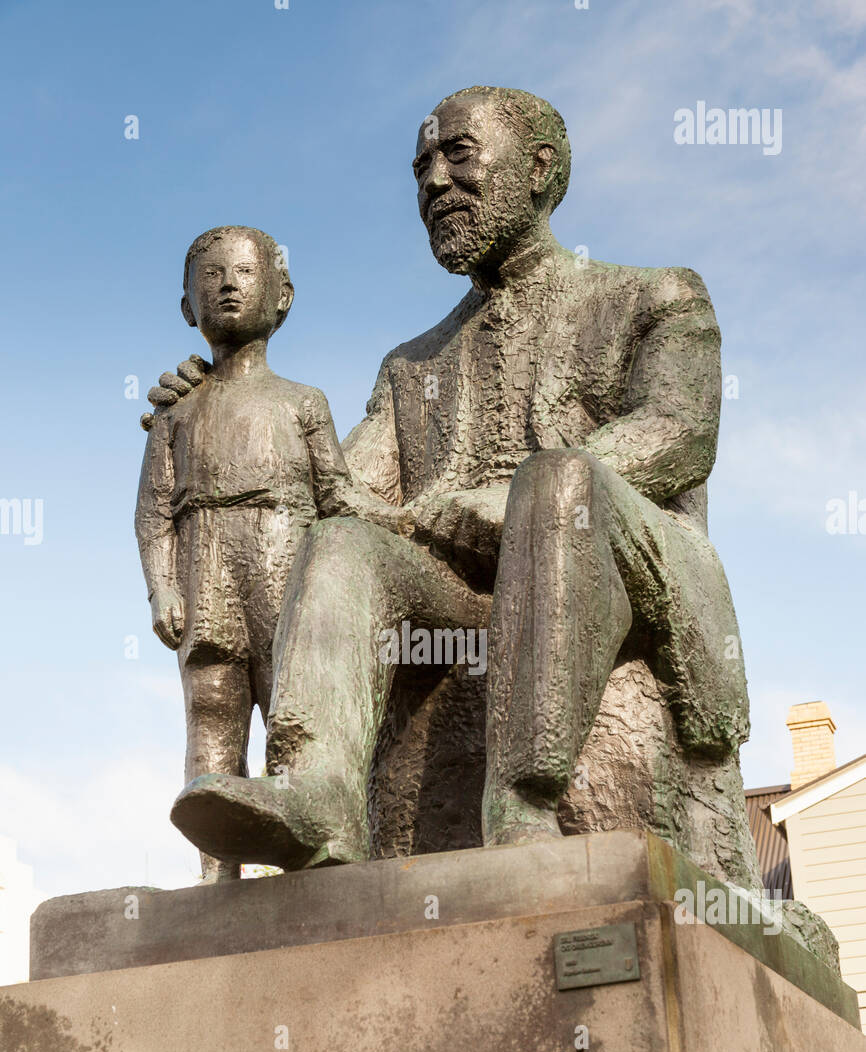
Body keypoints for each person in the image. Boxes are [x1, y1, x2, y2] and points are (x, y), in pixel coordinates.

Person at [148, 89, 749, 881]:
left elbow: (677, 433)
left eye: (457, 155)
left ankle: (525, 804)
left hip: (628, 578)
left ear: (540, 170)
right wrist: (223, 398)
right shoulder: (412, 365)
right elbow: (338, 491)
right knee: (341, 544)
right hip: (469, 599)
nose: (434, 182)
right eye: (422, 166)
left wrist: (520, 498)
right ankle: (319, 792)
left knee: (560, 483)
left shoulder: (653, 297)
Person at [135, 224, 409, 880]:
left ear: (282, 298)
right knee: (211, 710)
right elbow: (152, 512)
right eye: (211, 275)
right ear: (186, 308)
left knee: (294, 708)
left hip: (287, 568)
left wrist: (413, 525)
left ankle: (301, 851)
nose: (227, 285)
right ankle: (214, 872)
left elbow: (341, 494)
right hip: (206, 572)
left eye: (244, 273)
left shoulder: (302, 401)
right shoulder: (175, 416)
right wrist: (162, 587)